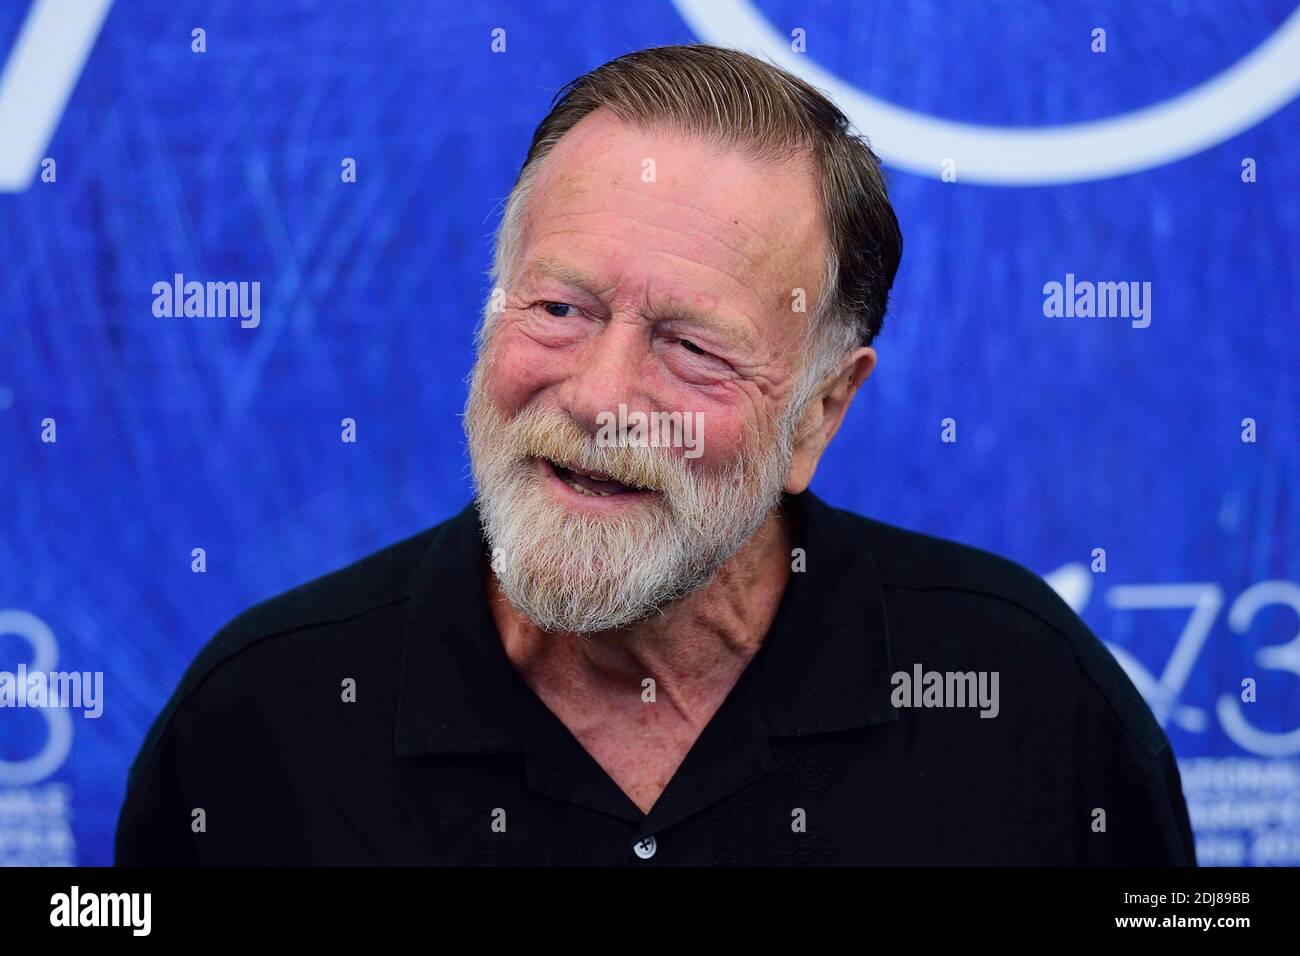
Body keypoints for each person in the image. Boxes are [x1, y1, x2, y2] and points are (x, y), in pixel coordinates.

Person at [116, 44, 1195, 866]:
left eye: (690, 346)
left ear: (819, 413)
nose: (598, 397)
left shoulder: (1030, 706)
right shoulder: (260, 726)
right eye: (558, 306)